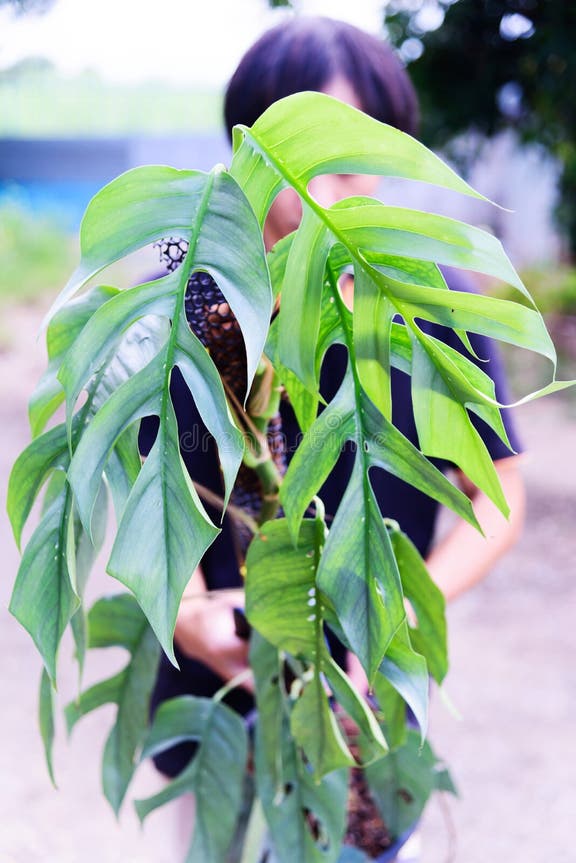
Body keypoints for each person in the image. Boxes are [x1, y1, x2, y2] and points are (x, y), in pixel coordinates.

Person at [139, 11, 525, 838]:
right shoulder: (191, 306)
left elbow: (498, 495)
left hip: (369, 706)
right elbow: (151, 505)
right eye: (311, 150)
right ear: (252, 147)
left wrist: (411, 610)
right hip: (222, 705)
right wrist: (192, 616)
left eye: (363, 152)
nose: (335, 183)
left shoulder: (425, 300)